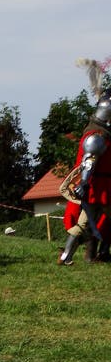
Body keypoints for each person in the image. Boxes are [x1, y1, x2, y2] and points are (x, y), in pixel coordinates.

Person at [58, 94, 111, 265]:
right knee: (83, 225)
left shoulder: (103, 134)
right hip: (97, 188)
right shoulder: (97, 136)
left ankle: (69, 256)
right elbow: (88, 162)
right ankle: (67, 256)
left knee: (85, 224)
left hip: (101, 187)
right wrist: (84, 183)